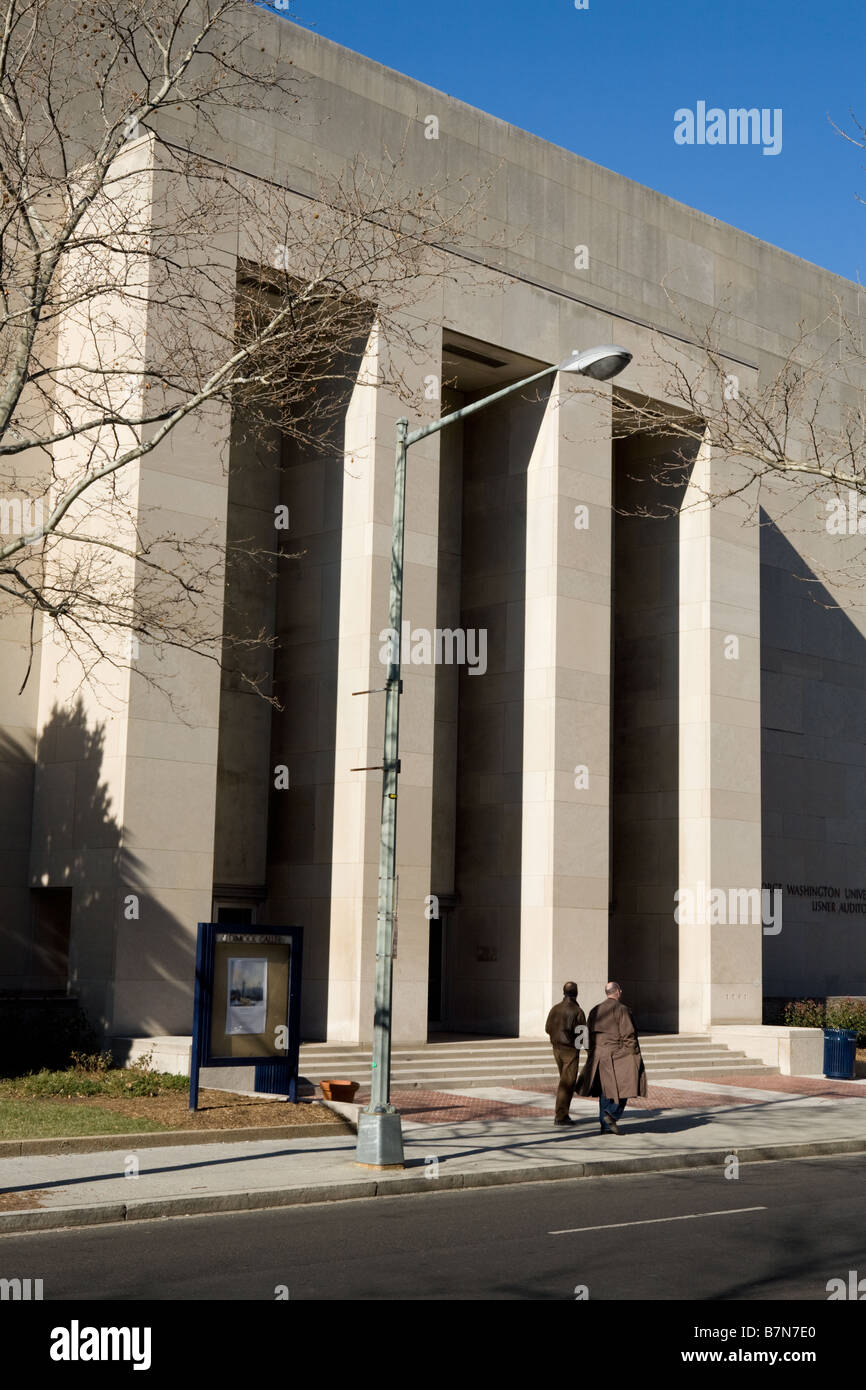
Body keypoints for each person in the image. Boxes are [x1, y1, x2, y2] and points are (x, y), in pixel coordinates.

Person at [577, 980, 647, 1134]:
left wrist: (591, 1052)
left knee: (605, 1090)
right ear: (618, 992)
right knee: (625, 1087)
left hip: (598, 1055)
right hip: (617, 1055)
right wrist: (633, 1053)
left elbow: (585, 1035)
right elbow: (628, 1034)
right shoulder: (622, 1009)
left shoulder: (595, 1010)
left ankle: (606, 1125)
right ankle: (611, 1114)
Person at [544, 982, 587, 1127]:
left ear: (564, 992)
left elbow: (547, 1028)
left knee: (564, 1081)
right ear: (576, 993)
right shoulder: (577, 1011)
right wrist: (590, 1052)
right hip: (569, 1050)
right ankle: (561, 1116)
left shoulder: (555, 1009)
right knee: (567, 1083)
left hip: (556, 1048)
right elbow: (583, 1036)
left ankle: (562, 1114)